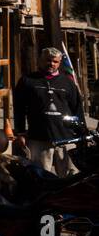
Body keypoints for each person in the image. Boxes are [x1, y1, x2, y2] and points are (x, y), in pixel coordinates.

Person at [12, 46, 83, 176]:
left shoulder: (68, 82)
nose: (51, 64)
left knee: (71, 177)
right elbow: (19, 109)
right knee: (42, 177)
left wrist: (81, 134)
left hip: (66, 139)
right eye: (48, 60)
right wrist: (20, 132)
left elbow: (77, 109)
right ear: (40, 60)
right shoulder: (27, 81)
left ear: (59, 63)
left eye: (55, 61)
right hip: (39, 138)